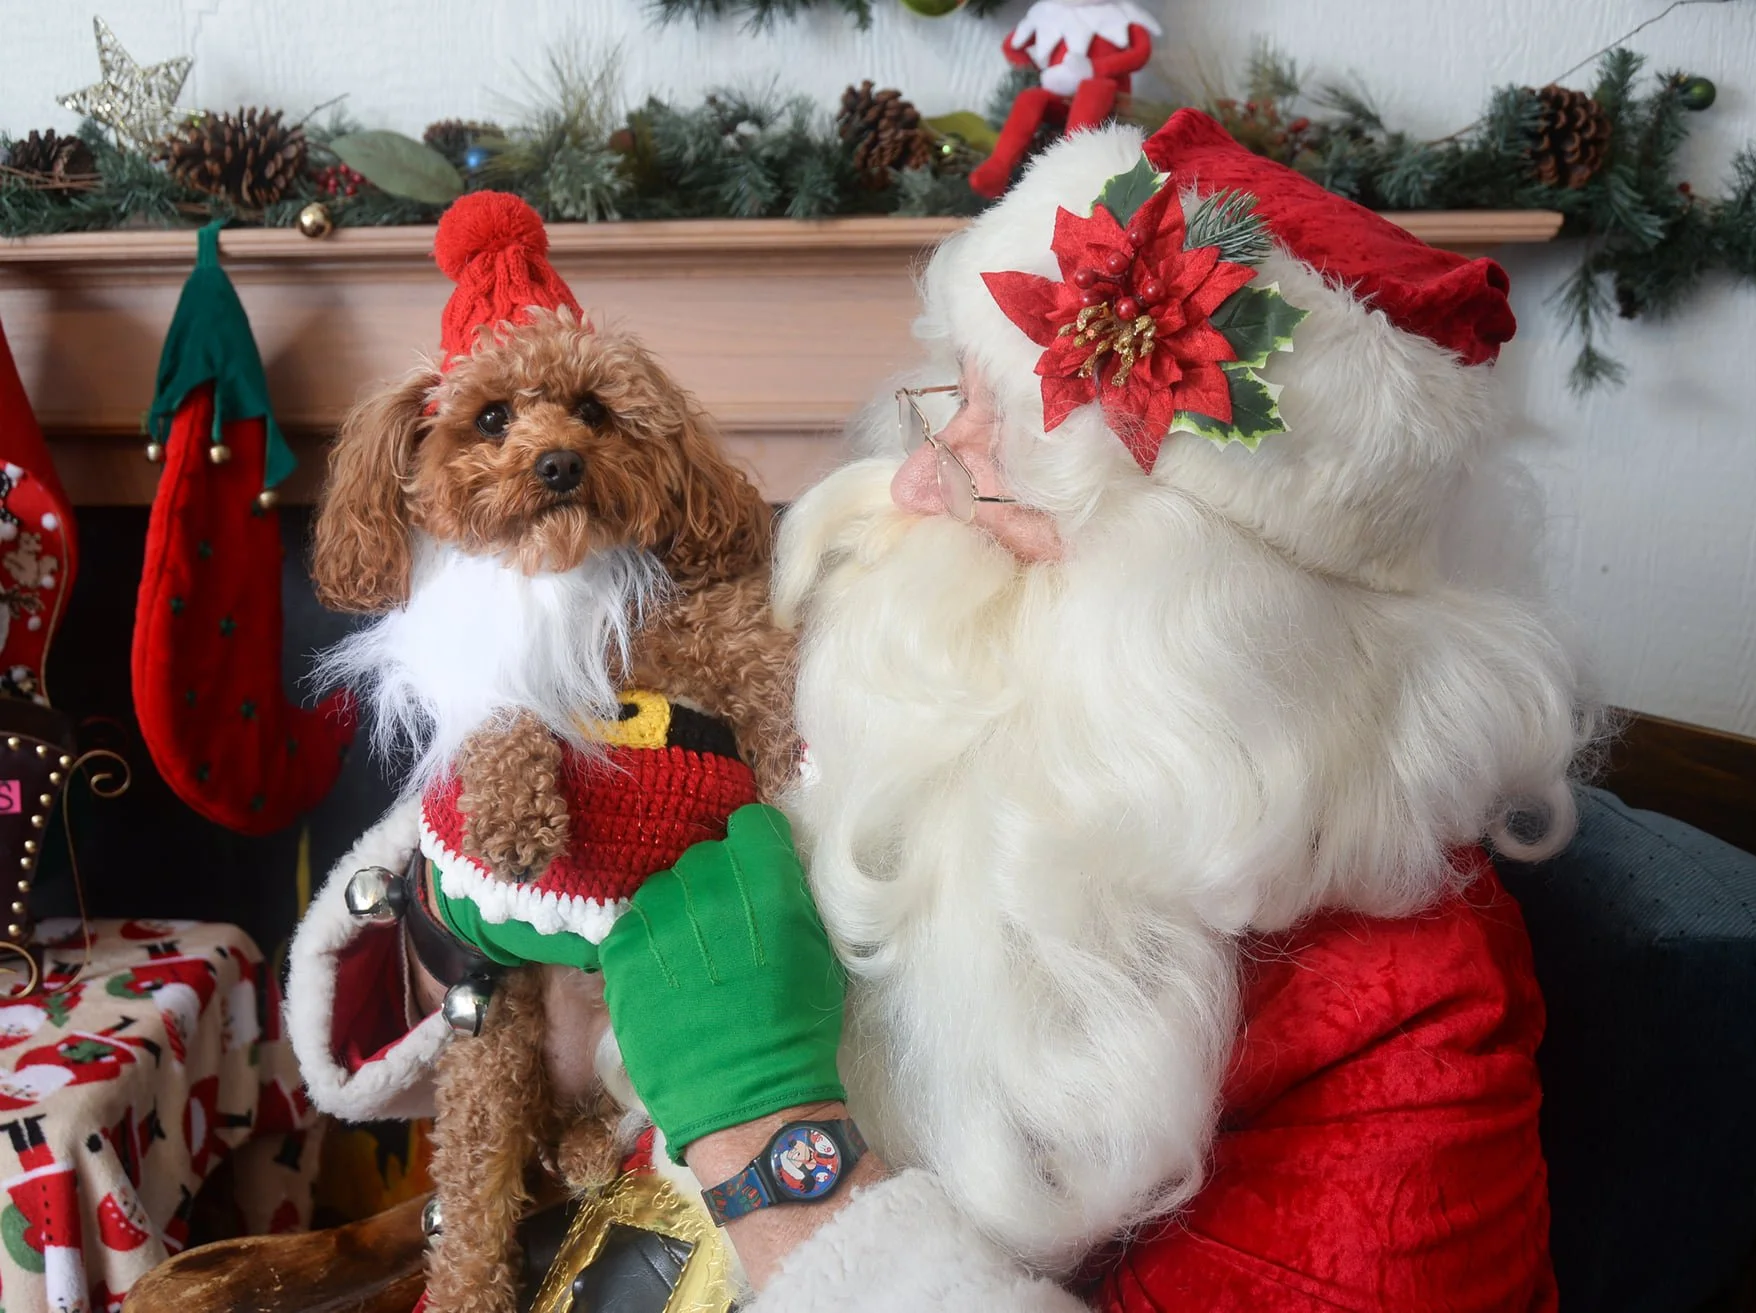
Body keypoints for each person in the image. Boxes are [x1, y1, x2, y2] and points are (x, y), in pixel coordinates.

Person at [290, 112, 1588, 1311]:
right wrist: (506, 940)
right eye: (942, 400)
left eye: (995, 456)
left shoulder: (1403, 1024)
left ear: (1211, 616)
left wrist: (762, 1135)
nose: (910, 482)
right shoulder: (934, 723)